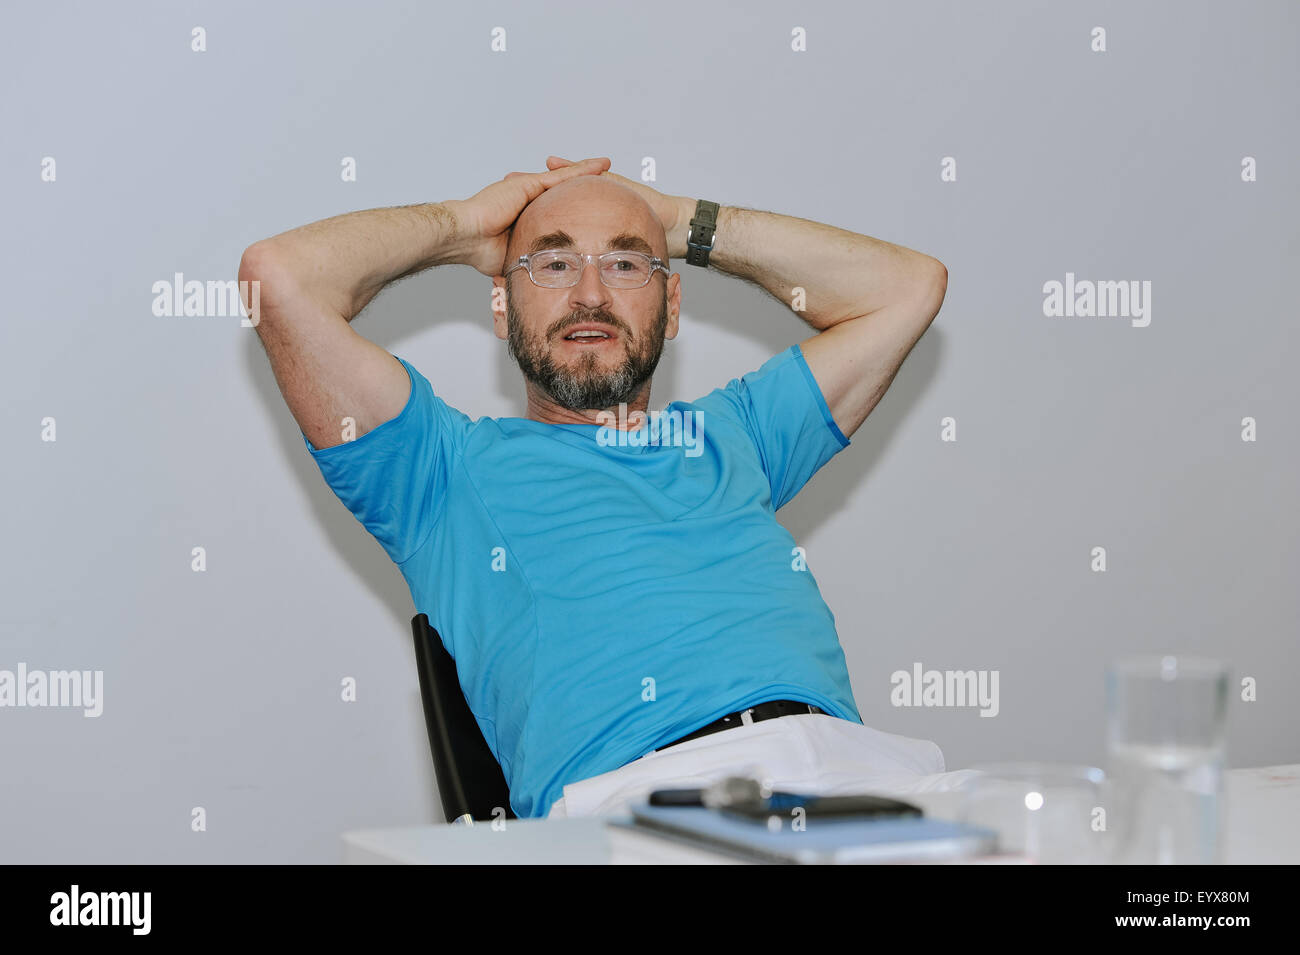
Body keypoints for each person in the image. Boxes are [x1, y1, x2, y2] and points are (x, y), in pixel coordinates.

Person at [238, 155, 960, 820]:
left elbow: (909, 287)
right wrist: (463, 227)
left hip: (860, 781)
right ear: (501, 306)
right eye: (552, 263)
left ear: (672, 307)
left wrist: (678, 221)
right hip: (640, 810)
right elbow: (278, 277)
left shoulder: (737, 431)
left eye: (624, 263)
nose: (589, 293)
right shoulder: (441, 471)